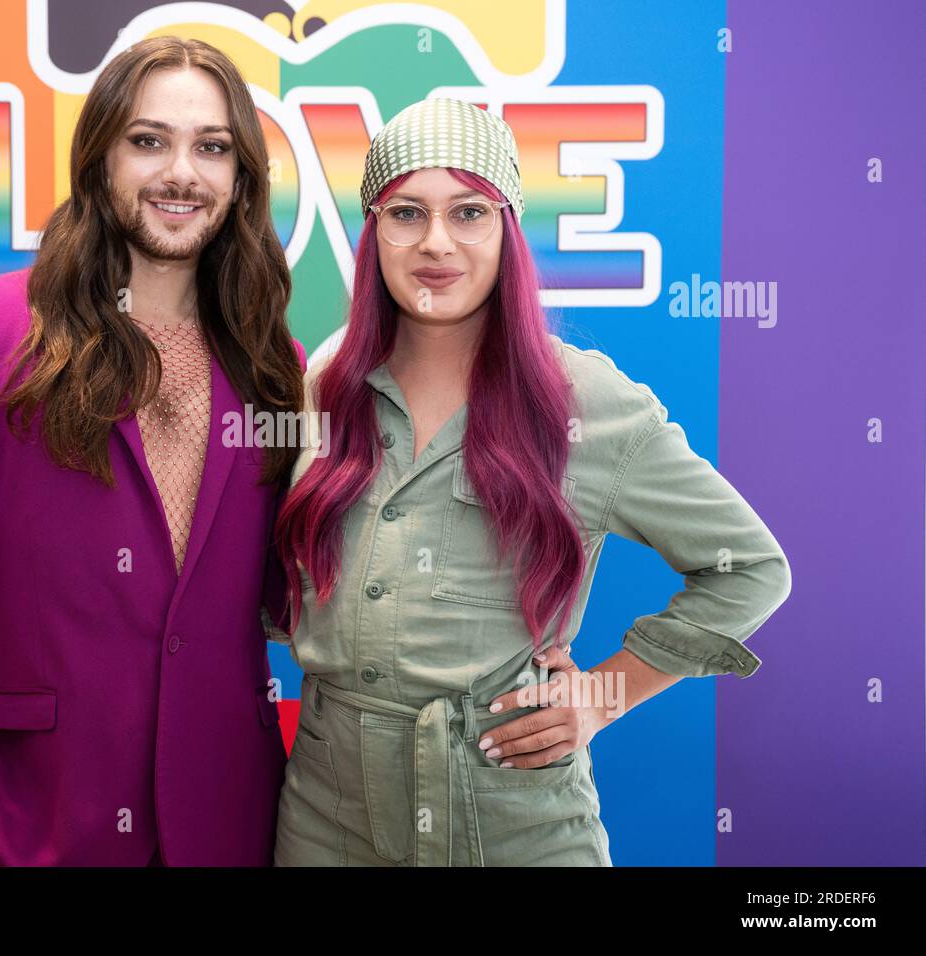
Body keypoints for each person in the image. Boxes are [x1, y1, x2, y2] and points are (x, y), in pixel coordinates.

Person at [269, 97, 792, 866]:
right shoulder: (329, 376)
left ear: (507, 230)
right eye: (406, 212)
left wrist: (604, 694)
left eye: (470, 212)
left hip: (510, 816)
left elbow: (749, 568)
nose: (436, 243)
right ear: (372, 231)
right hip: (324, 812)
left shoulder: (583, 402)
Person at [0, 35, 306, 866]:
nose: (182, 172)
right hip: (40, 817)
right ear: (100, 154)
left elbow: (282, 592)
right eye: (149, 141)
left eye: (211, 147)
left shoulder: (268, 357)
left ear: (241, 178)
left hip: (233, 818)